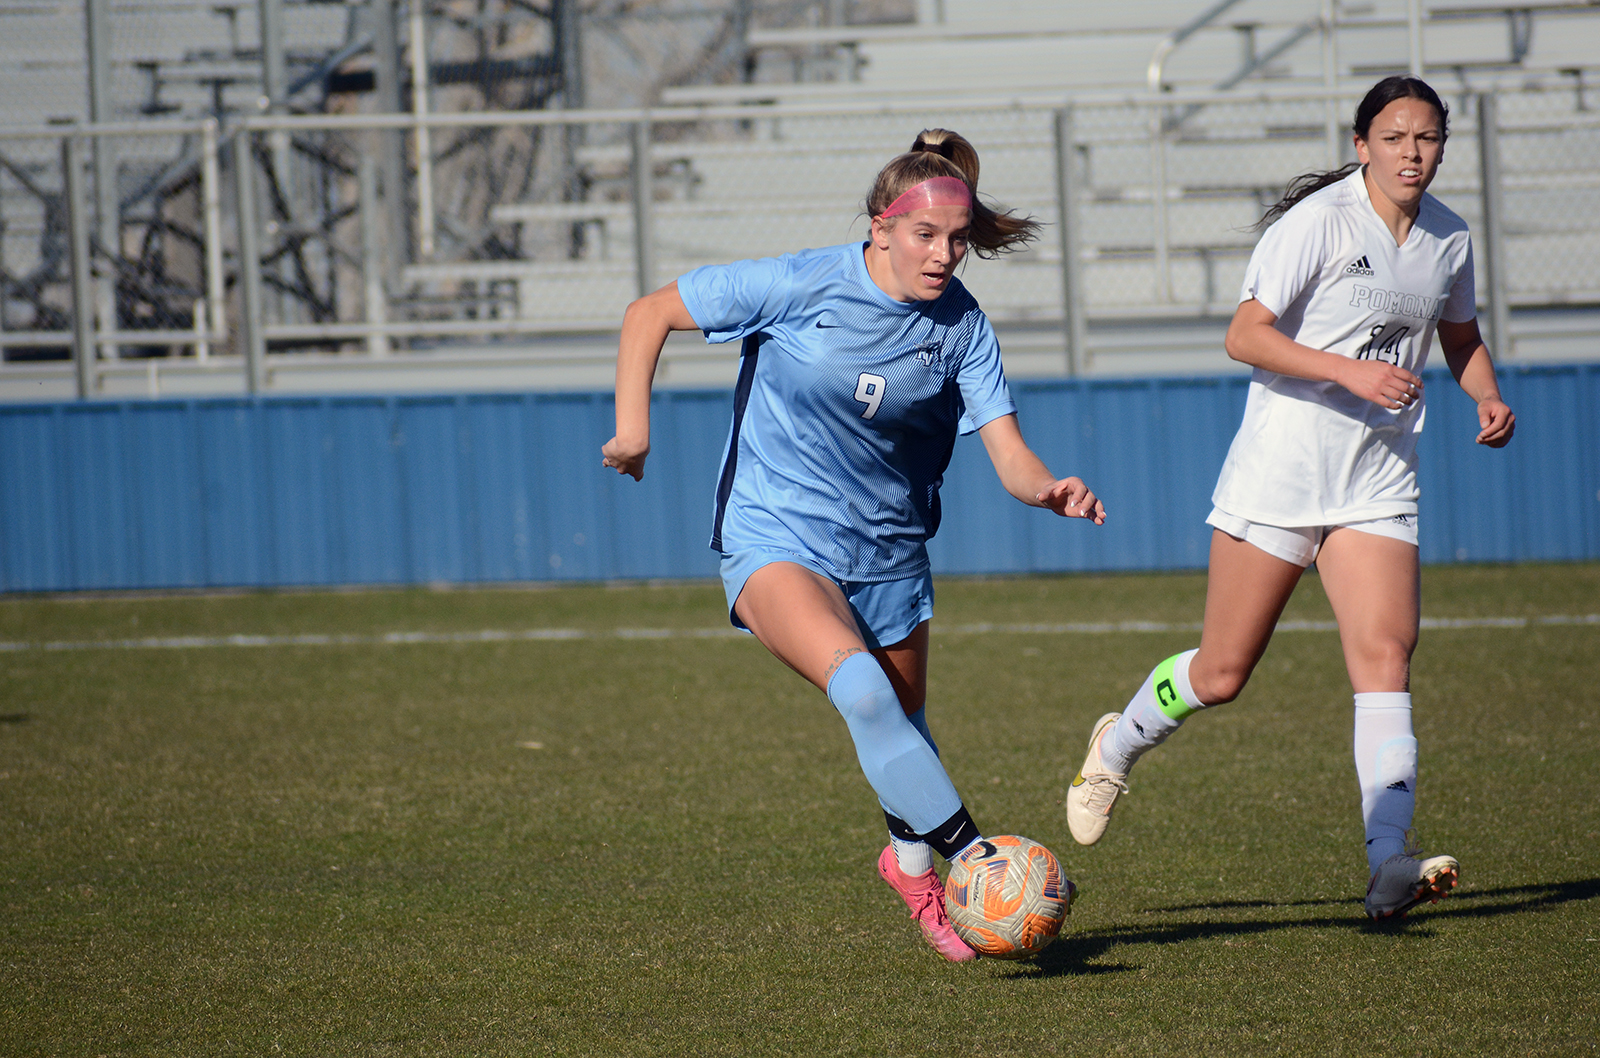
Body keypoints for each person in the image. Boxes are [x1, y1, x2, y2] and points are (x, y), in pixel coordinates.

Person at [603, 129, 1105, 960]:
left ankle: (910, 869)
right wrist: (632, 431)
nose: (944, 254)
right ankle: (978, 862)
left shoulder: (963, 328)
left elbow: (1009, 454)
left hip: (892, 553)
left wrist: (1047, 488)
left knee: (905, 726)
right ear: (879, 227)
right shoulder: (801, 283)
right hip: (777, 534)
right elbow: (649, 312)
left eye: (957, 239)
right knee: (865, 696)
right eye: (924, 235)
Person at [1064, 76, 1516, 920]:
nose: (1410, 152)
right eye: (1393, 137)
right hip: (1280, 474)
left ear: (1443, 149)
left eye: (1425, 139)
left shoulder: (1449, 238)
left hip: (1377, 481)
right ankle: (1115, 744)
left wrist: (1484, 395)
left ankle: (1389, 863)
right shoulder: (1318, 223)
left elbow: (1461, 338)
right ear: (1361, 146)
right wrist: (1350, 371)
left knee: (1386, 659)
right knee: (1224, 672)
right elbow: (1245, 334)